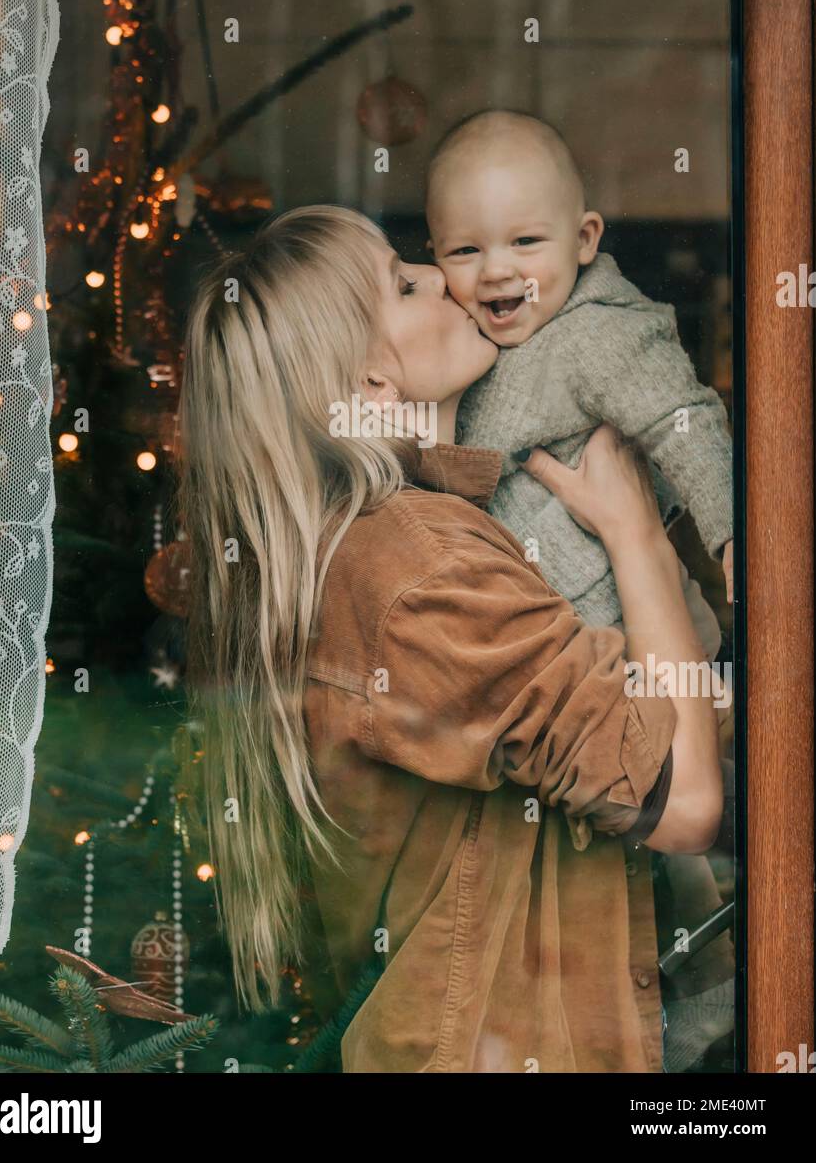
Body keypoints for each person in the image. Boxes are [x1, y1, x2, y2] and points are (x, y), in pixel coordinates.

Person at [176, 204, 723, 1073]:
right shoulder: (420, 574)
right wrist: (637, 537)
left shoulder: (389, 548)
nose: (438, 276)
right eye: (402, 284)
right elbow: (684, 801)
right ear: (373, 387)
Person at [426, 109, 734, 629]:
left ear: (585, 239)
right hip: (551, 635)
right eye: (465, 250)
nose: (497, 269)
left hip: (631, 627)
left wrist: (731, 530)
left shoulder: (598, 331)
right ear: (435, 260)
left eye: (525, 241)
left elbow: (685, 419)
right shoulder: (460, 348)